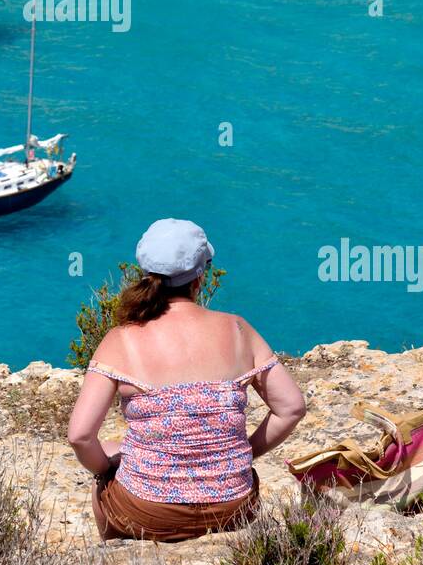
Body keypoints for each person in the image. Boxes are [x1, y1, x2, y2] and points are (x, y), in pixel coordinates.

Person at [68, 219, 307, 542]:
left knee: (109, 469)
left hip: (147, 512)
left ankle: (118, 564)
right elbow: (291, 407)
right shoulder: (238, 330)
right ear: (200, 277)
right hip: (233, 507)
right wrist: (239, 453)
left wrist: (103, 471)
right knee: (119, 449)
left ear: (146, 274)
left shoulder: (121, 339)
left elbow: (81, 436)